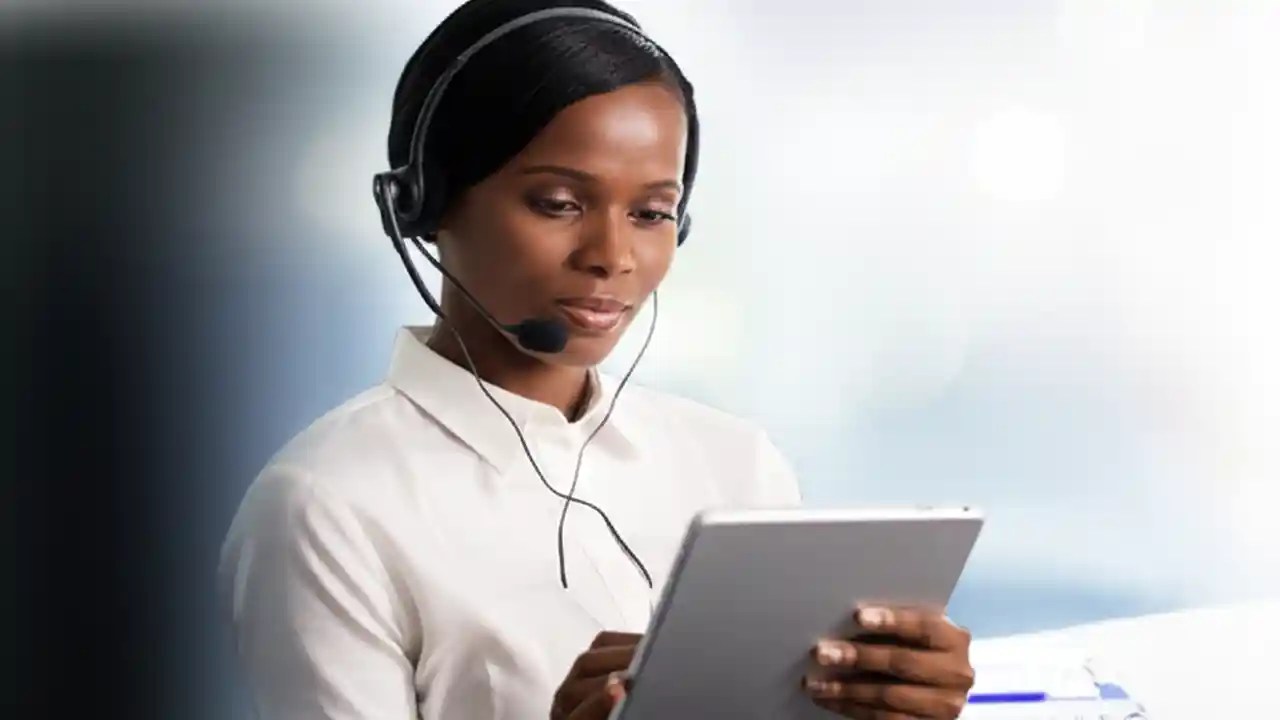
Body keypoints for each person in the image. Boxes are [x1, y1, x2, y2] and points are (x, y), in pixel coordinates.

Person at [218, 1, 976, 718]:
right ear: (427, 202)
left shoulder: (737, 465)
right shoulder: (326, 504)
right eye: (558, 203)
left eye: (651, 214)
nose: (612, 256)